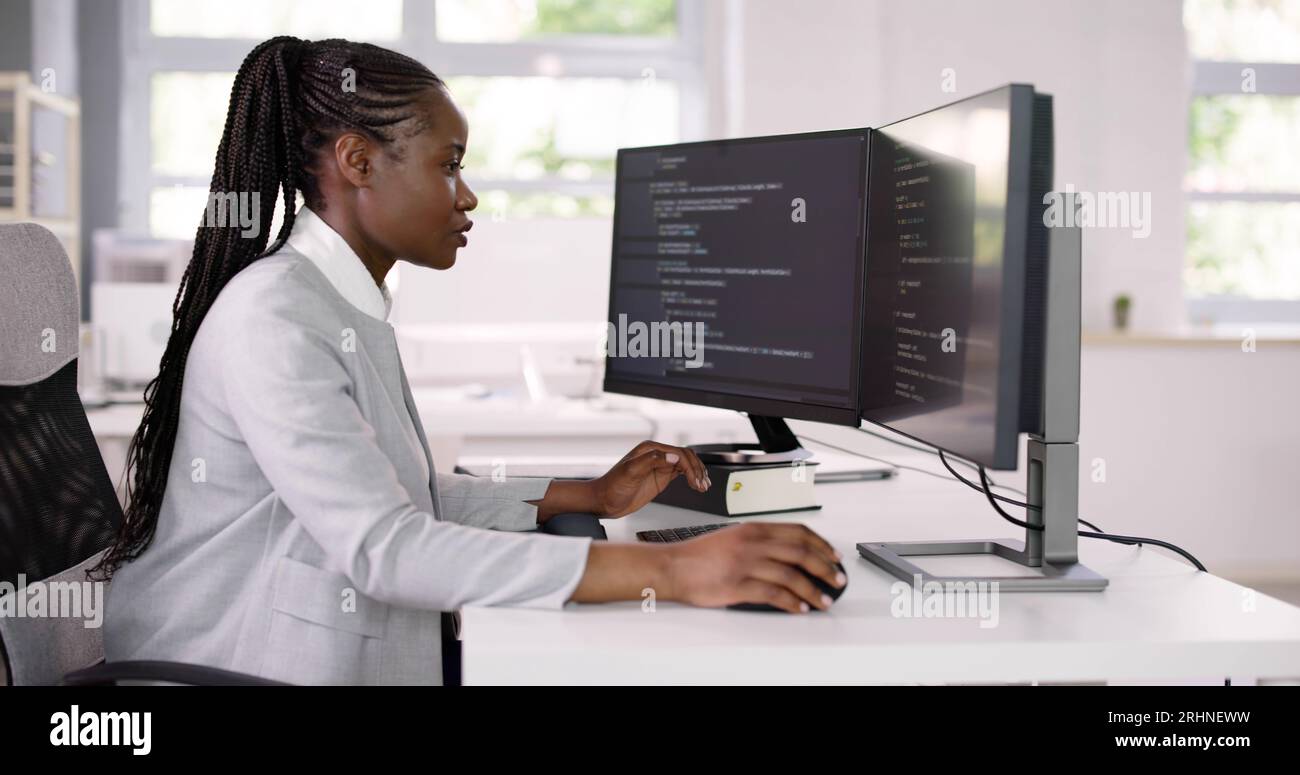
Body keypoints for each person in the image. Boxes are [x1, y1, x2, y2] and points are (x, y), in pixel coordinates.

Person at [98, 37, 844, 685]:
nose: (469, 195)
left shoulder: (333, 302)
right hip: (244, 662)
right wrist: (676, 570)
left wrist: (587, 493)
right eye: (449, 165)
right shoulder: (276, 319)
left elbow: (398, 497)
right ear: (358, 161)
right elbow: (387, 546)